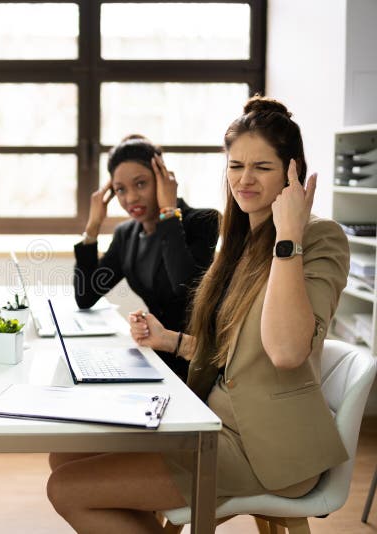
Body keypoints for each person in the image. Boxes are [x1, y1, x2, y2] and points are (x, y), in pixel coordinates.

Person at [47, 96, 350, 533]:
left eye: (261, 168)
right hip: (212, 417)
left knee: (66, 488)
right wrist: (170, 340)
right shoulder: (243, 238)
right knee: (65, 456)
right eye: (235, 166)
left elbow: (285, 351)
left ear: (292, 171)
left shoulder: (317, 238)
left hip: (266, 446)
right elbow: (232, 349)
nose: (244, 180)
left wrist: (289, 237)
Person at [74, 135, 219, 380]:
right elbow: (86, 296)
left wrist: (168, 212)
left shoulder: (202, 221)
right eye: (120, 190)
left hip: (196, 361)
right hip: (154, 358)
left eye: (140, 184)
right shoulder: (127, 234)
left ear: (163, 179)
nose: (130, 198)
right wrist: (93, 227)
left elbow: (185, 288)